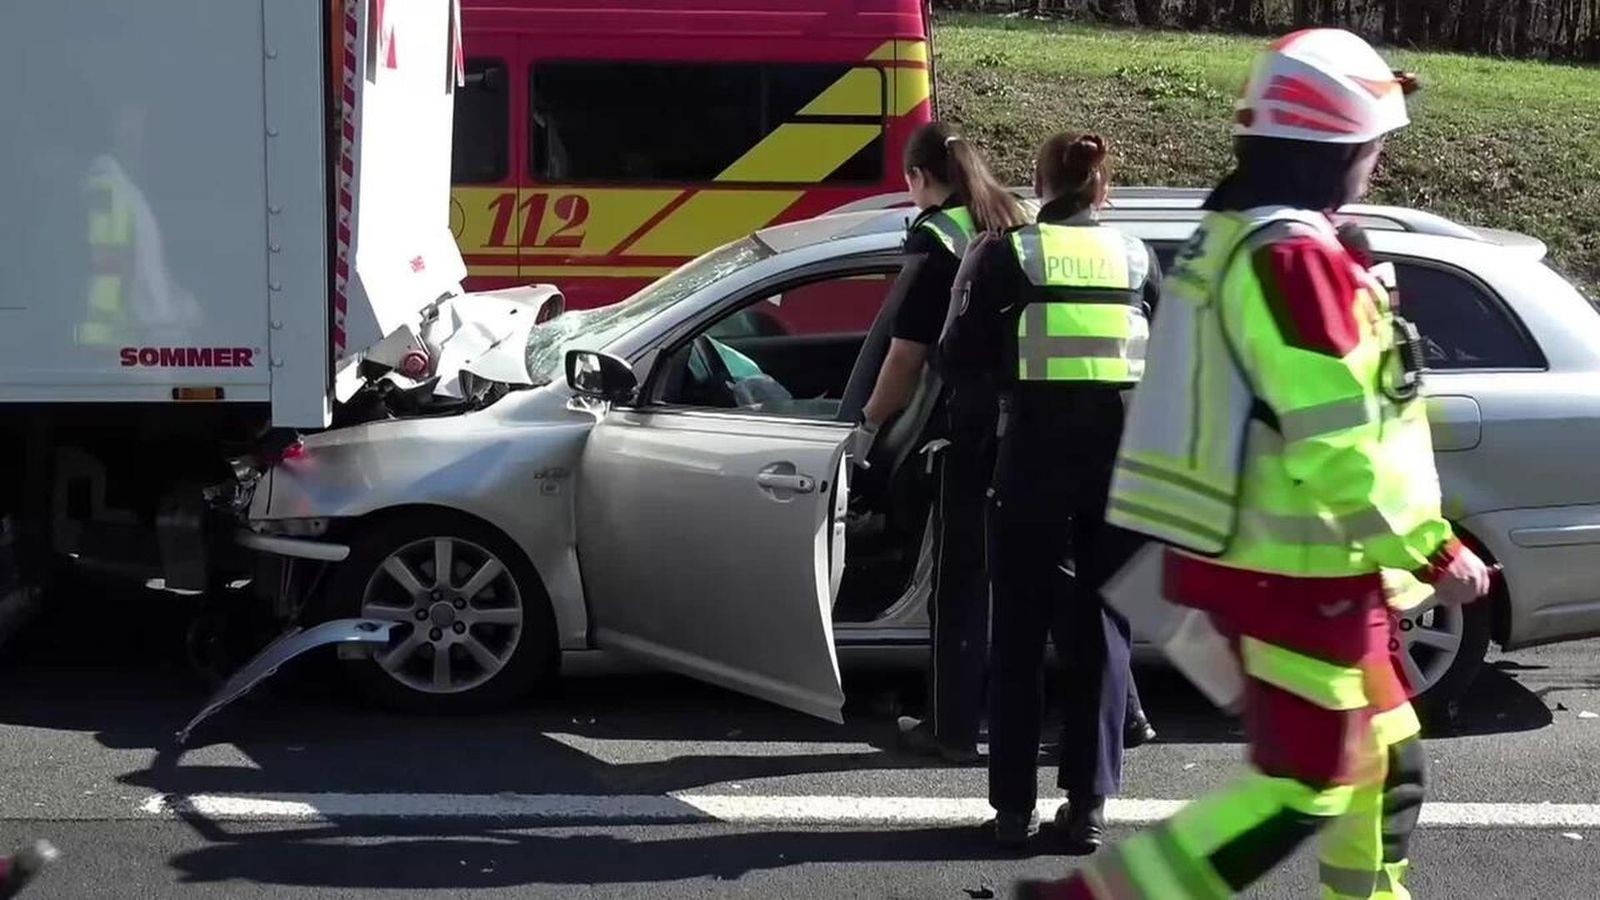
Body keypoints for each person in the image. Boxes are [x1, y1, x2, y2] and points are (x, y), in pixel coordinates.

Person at [1016, 29, 1492, 899]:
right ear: (1333, 146)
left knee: (1382, 766)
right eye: (1375, 145)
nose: (1379, 164)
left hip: (1299, 567)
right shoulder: (1290, 259)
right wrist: (1428, 548)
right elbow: (1335, 436)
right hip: (1290, 574)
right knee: (1306, 783)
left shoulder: (1256, 238)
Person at [942, 132, 1161, 850]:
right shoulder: (1137, 256)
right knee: (1104, 631)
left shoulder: (1010, 254)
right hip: (1120, 463)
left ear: (1038, 185)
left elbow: (959, 356)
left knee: (1019, 631)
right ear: (1103, 190)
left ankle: (1013, 811)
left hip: (1033, 457)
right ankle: (1089, 810)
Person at [849, 123, 1028, 764]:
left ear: (920, 177)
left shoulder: (935, 239)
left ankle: (951, 728)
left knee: (959, 583)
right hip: (1031, 422)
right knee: (1056, 577)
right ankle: (1124, 711)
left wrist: (867, 428)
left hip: (968, 432)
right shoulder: (1014, 218)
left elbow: (904, 359)